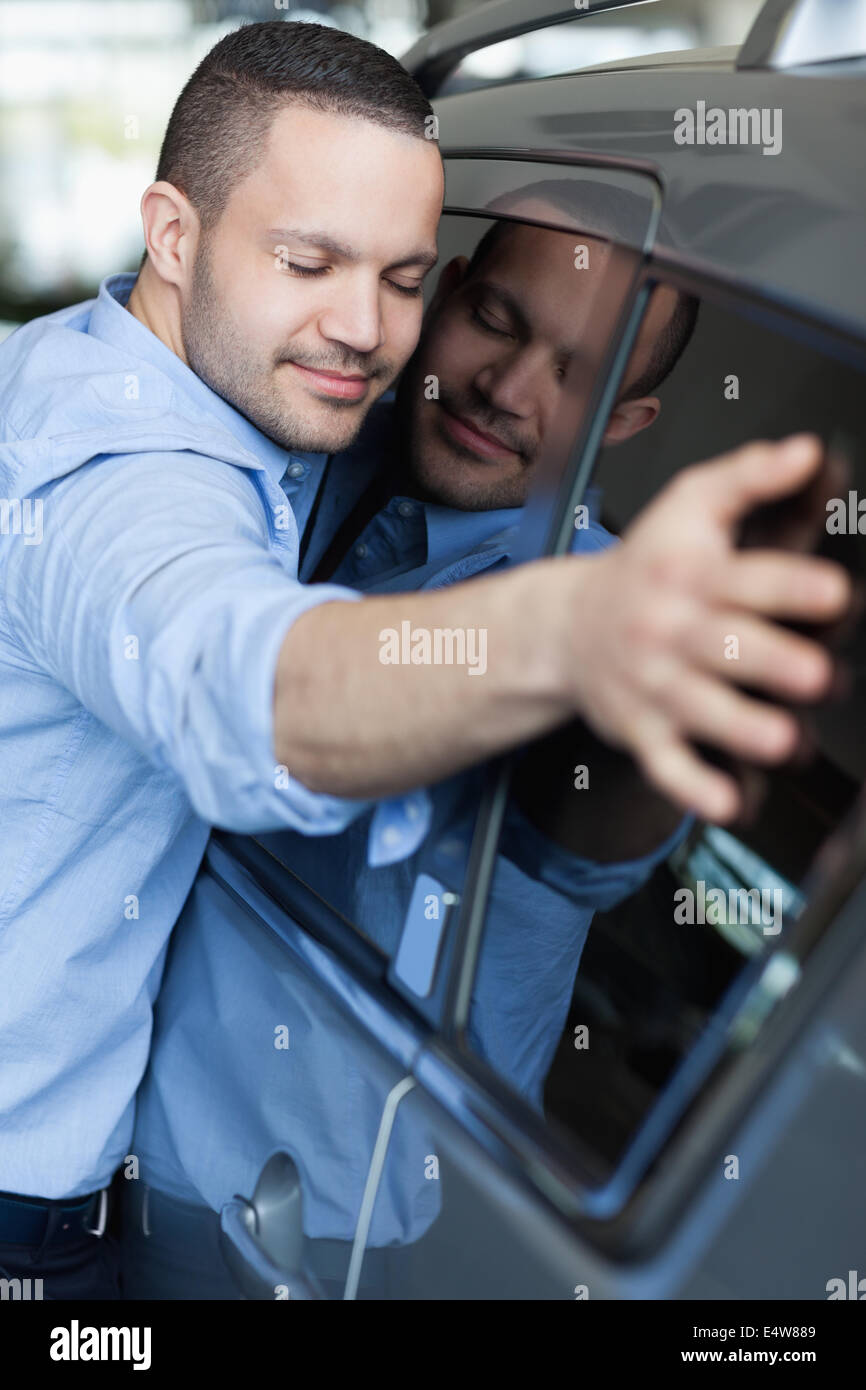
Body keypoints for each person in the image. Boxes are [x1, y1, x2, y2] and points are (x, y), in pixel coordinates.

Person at [0, 20, 848, 1299]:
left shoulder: (227, 394)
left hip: (329, 1233)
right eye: (310, 261)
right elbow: (239, 675)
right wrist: (578, 630)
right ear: (173, 237)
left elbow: (591, 823)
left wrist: (627, 643)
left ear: (627, 419)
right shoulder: (187, 463)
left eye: (395, 277)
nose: (361, 327)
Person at [116, 216, 796, 1297]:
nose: (507, 391)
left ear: (625, 422)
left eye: (574, 377)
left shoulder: (587, 605)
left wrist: (669, 700)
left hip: (281, 1233)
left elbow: (579, 822)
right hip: (109, 1122)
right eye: (495, 322)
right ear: (444, 292)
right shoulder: (319, 443)